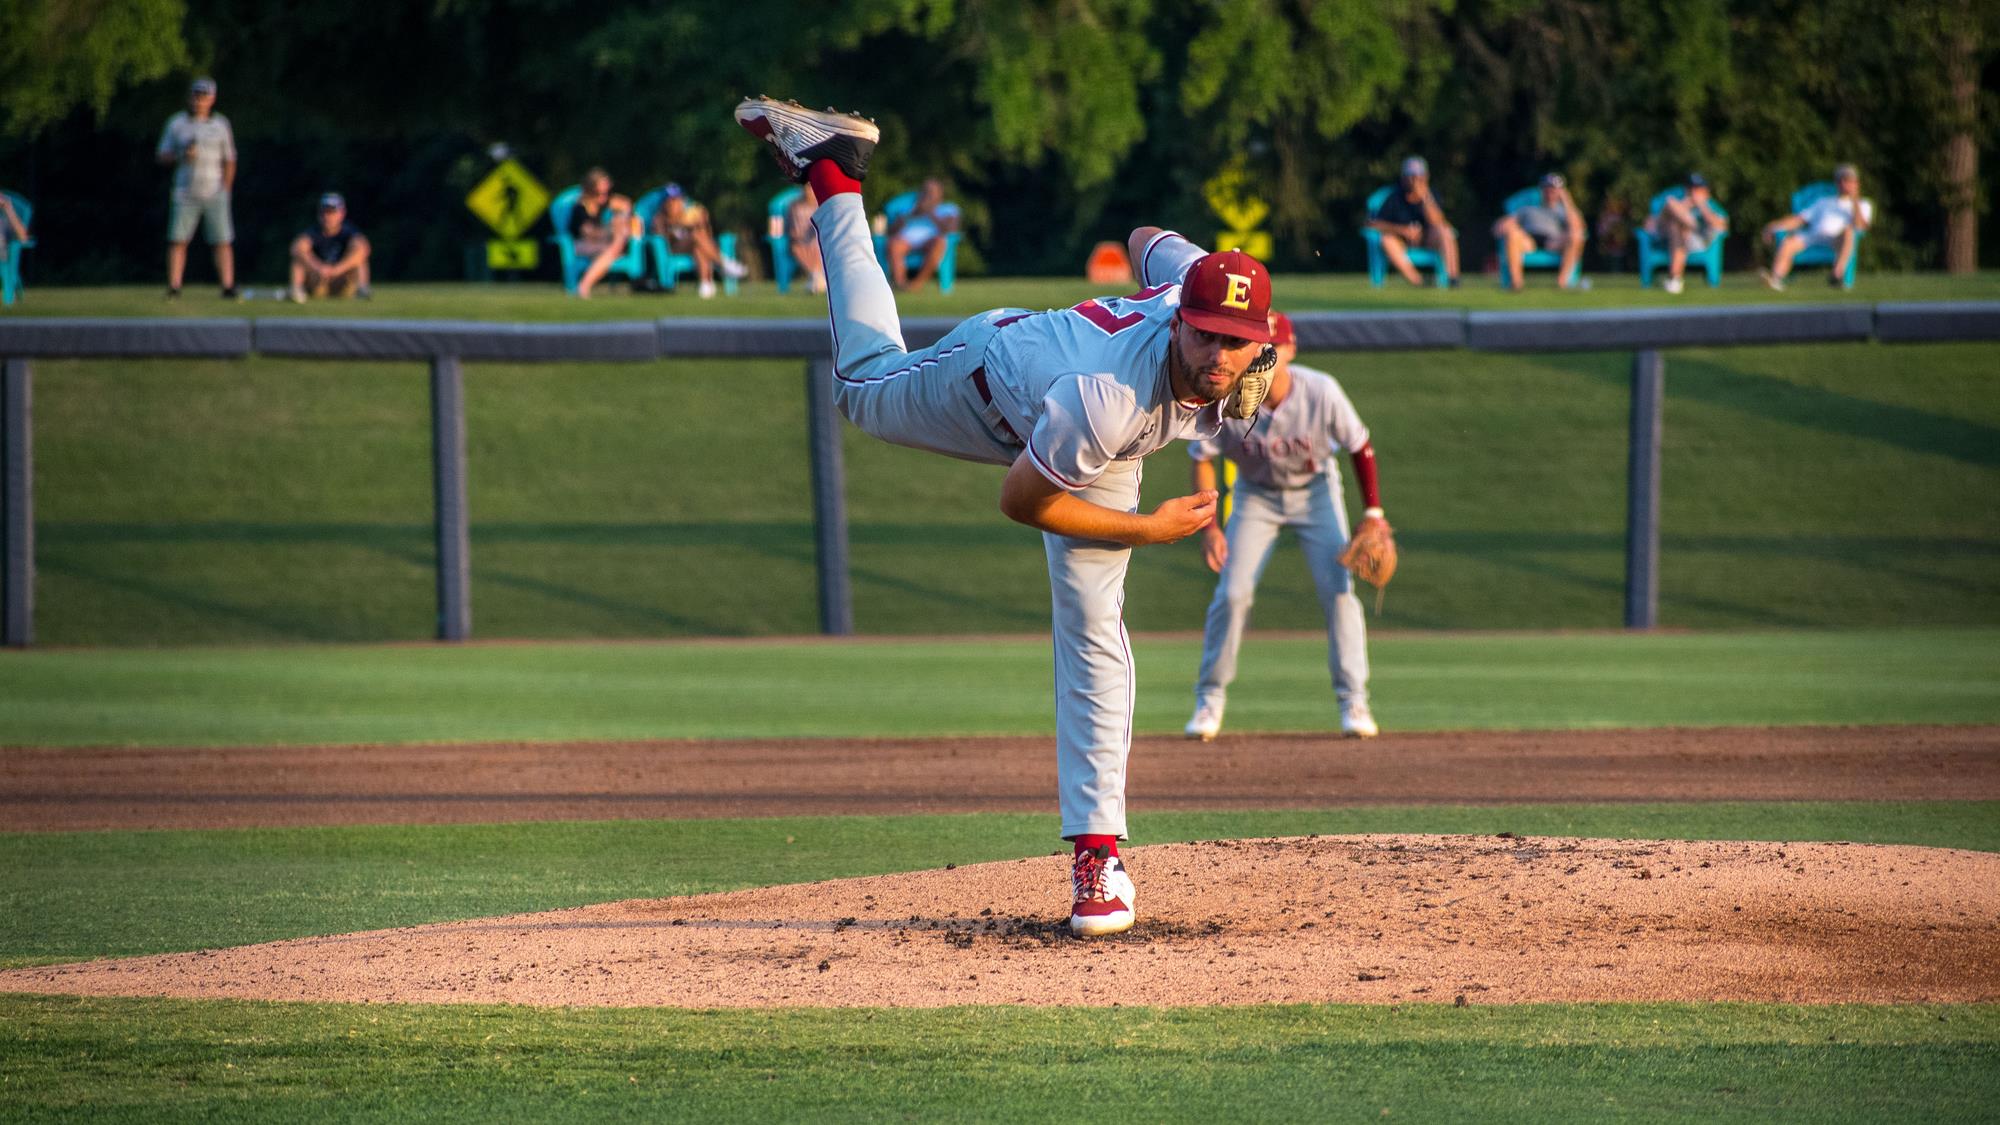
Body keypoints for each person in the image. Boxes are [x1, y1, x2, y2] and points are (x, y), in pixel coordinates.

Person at [735, 95, 1274, 939]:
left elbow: (1145, 240)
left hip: (1107, 448)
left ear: (1259, 338)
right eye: (1203, 333)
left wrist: (1220, 306)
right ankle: (835, 177)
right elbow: (1024, 502)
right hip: (994, 386)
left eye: (1233, 339)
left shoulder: (1204, 301)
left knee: (1096, 626)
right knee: (863, 387)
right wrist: (1155, 529)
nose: (1215, 353)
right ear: (1183, 322)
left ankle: (1099, 858)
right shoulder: (1104, 394)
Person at [1184, 311, 1384, 743]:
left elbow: (1359, 445)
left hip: (1315, 491)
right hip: (1255, 495)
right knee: (1233, 594)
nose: (1268, 355)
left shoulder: (1320, 390)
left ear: (1291, 350)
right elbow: (1202, 457)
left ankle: (1354, 700)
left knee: (1339, 592)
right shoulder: (1228, 396)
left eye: (1276, 346)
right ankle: (1209, 699)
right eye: (1261, 346)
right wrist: (1210, 528)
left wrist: (1373, 513)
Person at [155, 77, 238, 300]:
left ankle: (228, 286)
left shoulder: (220, 124)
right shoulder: (177, 124)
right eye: (195, 96)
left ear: (212, 98)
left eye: (203, 96)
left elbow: (229, 158)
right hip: (185, 191)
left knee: (221, 240)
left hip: (214, 190)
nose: (198, 101)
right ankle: (174, 286)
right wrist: (182, 155)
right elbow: (162, 156)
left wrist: (226, 188)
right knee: (178, 239)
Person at [1761, 163, 1872, 290]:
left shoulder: (1864, 204)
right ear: (1836, 183)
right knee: (1788, 242)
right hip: (1815, 235)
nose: (1844, 184)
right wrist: (1773, 227)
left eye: (1848, 181)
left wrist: (1854, 201)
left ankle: (1836, 275)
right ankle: (1776, 279)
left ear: (1856, 183)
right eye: (1841, 180)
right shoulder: (1824, 202)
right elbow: (1799, 219)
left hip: (1838, 239)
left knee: (1849, 231)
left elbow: (1860, 226)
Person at [1367, 156, 1460, 286]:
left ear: (1426, 177)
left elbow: (1438, 221)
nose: (1414, 181)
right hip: (1402, 241)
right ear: (1403, 178)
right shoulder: (1395, 197)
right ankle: (1419, 281)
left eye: (1418, 176)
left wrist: (1425, 197)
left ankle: (1453, 278)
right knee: (1386, 240)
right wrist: (1402, 230)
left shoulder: (1432, 195)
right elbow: (1374, 223)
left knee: (1445, 231)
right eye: (1410, 176)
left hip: (1428, 238)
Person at [652, 183, 748, 298]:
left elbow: (708, 235)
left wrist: (700, 222)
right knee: (696, 236)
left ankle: (705, 284)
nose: (675, 203)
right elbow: (662, 240)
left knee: (698, 247)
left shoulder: (692, 213)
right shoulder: (659, 218)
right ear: (665, 203)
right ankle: (724, 264)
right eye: (671, 201)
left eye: (678, 199)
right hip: (674, 249)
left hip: (694, 247)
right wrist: (676, 224)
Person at [1494, 172, 1587, 291]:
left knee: (1576, 235)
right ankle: (1516, 283)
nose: (1549, 192)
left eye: (1553, 189)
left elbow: (1578, 226)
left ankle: (1562, 281)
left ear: (1560, 191)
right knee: (1512, 233)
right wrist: (1505, 225)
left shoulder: (1563, 211)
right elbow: (1506, 222)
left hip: (1553, 242)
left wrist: (1567, 202)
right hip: (1529, 240)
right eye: (1546, 189)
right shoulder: (1528, 208)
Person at [1644, 173, 1727, 294]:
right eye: (1691, 188)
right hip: (1664, 238)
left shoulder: (1712, 206)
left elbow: (1721, 227)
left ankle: (1674, 278)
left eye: (1698, 188)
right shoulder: (1678, 199)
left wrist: (1702, 206)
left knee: (1676, 227)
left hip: (1696, 242)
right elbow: (1649, 224)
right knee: (1671, 208)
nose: (1693, 192)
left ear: (1705, 190)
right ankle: (1675, 279)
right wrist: (1686, 205)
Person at [287, 193, 372, 302]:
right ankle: (296, 290)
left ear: (342, 213)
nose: (328, 217)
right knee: (298, 258)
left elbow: (364, 249)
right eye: (324, 212)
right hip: (319, 282)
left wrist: (336, 270)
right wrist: (319, 267)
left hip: (343, 281)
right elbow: (296, 248)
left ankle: (362, 289)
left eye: (332, 212)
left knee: (360, 257)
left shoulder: (349, 232)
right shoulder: (313, 232)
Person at [883, 177, 961, 291]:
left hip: (930, 240)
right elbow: (890, 232)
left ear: (940, 194)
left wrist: (930, 212)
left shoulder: (948, 209)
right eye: (925, 191)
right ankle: (900, 283)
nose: (927, 195)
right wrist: (912, 214)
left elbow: (950, 230)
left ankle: (917, 284)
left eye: (931, 192)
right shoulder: (907, 208)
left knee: (940, 242)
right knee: (893, 243)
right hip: (906, 240)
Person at [567, 168, 633, 299]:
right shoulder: (580, 207)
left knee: (617, 239)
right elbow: (587, 233)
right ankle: (584, 286)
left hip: (601, 245)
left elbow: (626, 205)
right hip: (581, 245)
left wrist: (621, 218)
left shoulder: (603, 203)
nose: (606, 190)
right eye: (602, 185)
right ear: (592, 187)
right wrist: (610, 230)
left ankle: (584, 286)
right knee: (615, 246)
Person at [785, 185, 825, 293]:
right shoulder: (794, 206)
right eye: (806, 189)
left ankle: (815, 277)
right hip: (798, 240)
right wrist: (793, 234)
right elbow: (788, 225)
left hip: (815, 238)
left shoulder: (819, 205)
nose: (808, 192)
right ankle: (816, 276)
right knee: (797, 249)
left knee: (815, 246)